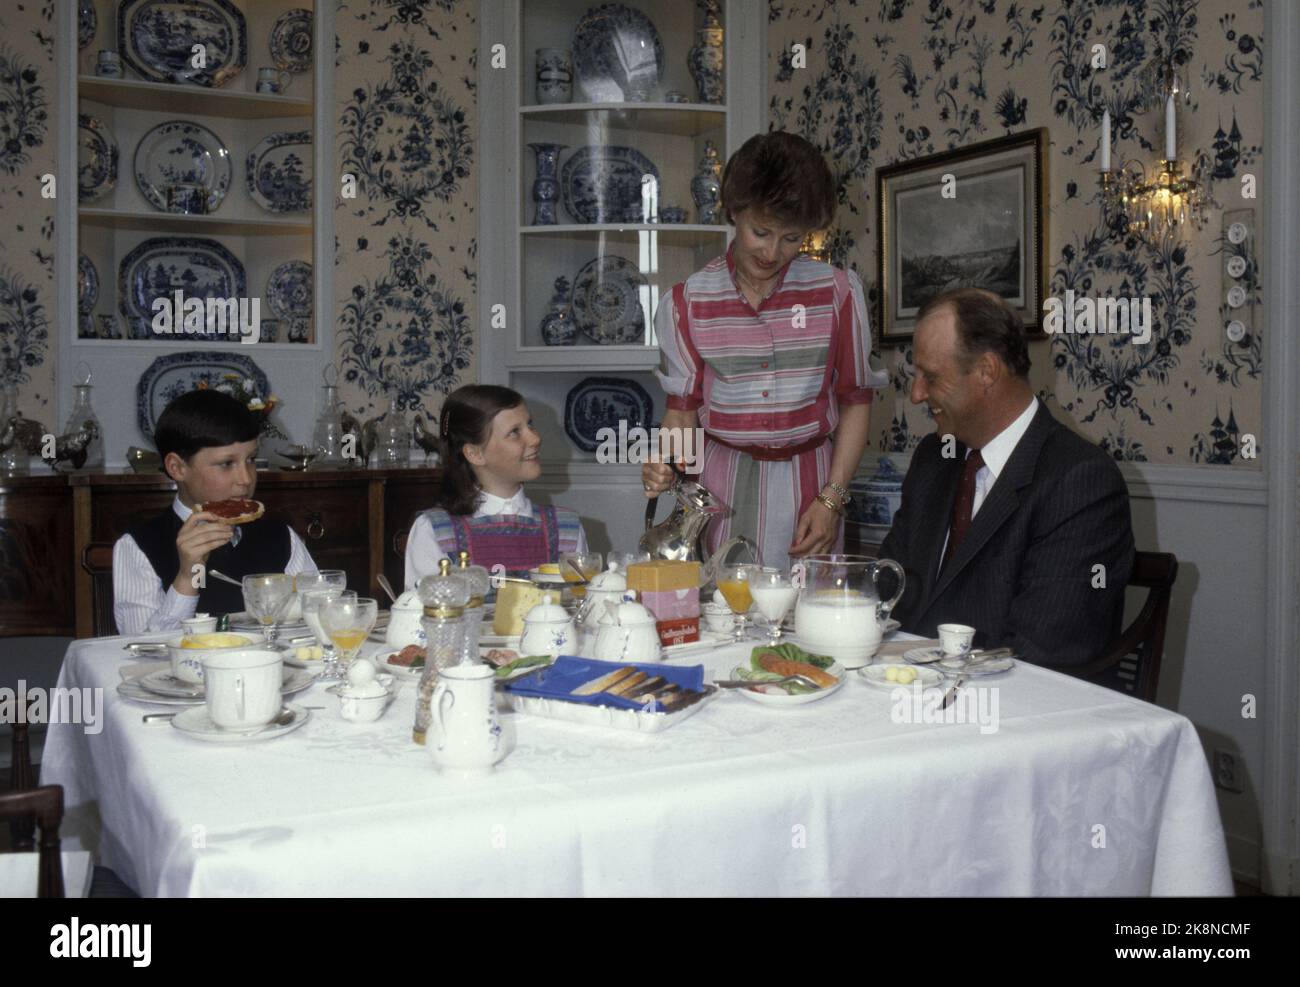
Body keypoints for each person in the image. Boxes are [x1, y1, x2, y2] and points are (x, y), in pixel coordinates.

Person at [642, 131, 887, 570]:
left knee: (807, 622)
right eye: (761, 232)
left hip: (811, 486)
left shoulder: (837, 293)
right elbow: (683, 410)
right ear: (734, 212)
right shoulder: (687, 302)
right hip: (720, 487)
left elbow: (855, 401)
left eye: (792, 238)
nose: (773, 252)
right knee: (722, 618)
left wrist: (831, 500)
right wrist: (665, 461)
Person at [878, 287, 1134, 668]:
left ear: (987, 372)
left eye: (930, 377)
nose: (916, 394)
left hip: (1009, 712)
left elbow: (1044, 652)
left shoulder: (1082, 483)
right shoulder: (935, 459)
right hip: (907, 697)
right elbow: (888, 588)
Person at [113, 389, 318, 635]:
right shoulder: (139, 546)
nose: (245, 479)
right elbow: (141, 651)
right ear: (177, 468)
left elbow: (317, 616)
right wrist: (189, 577)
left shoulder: (279, 537)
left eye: (251, 459)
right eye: (226, 464)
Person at [404, 385, 590, 589]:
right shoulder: (434, 531)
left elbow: (579, 609)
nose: (535, 438)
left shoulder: (567, 530)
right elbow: (424, 615)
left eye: (530, 425)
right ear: (475, 454)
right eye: (514, 432)